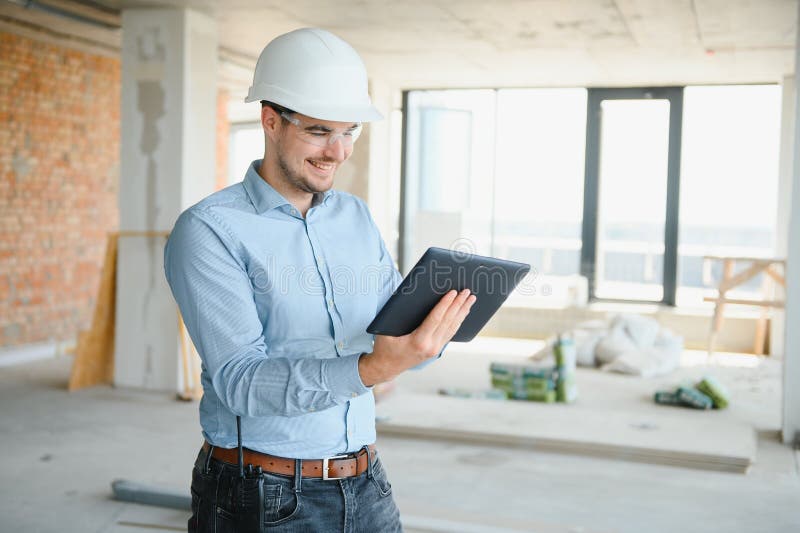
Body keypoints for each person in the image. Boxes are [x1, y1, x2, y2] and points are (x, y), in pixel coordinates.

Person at [164, 27, 476, 533]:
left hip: (367, 481)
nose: (338, 151)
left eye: (349, 130)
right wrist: (374, 369)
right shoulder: (209, 230)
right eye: (318, 131)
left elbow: (391, 335)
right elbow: (242, 382)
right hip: (261, 496)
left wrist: (427, 338)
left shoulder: (354, 217)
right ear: (270, 121)